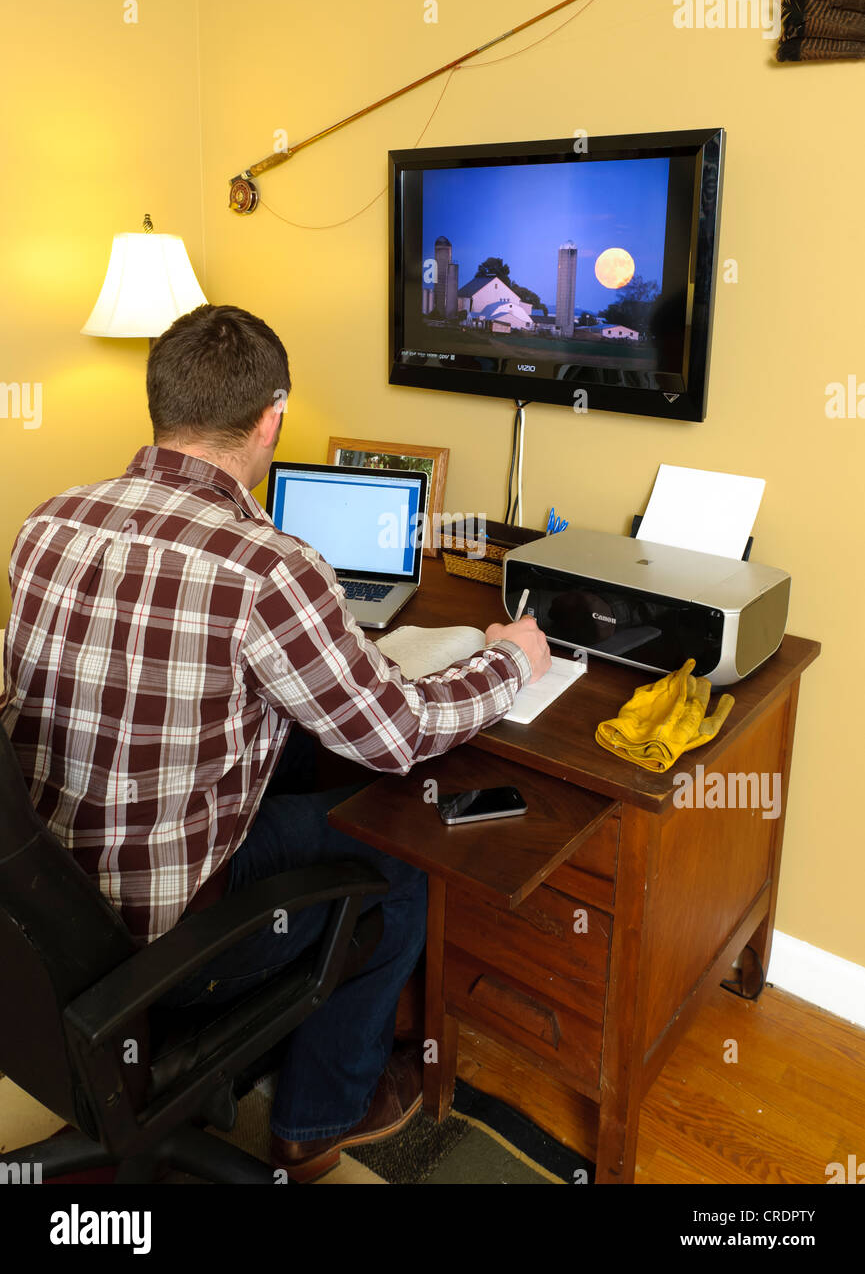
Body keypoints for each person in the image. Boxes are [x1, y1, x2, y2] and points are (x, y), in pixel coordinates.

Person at [0, 304, 550, 1182]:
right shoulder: (270, 566)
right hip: (153, 945)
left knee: (299, 750)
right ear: (271, 417)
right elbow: (397, 733)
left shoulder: (49, 521)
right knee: (396, 844)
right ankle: (318, 1118)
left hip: (35, 911)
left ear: (159, 404)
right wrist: (508, 663)